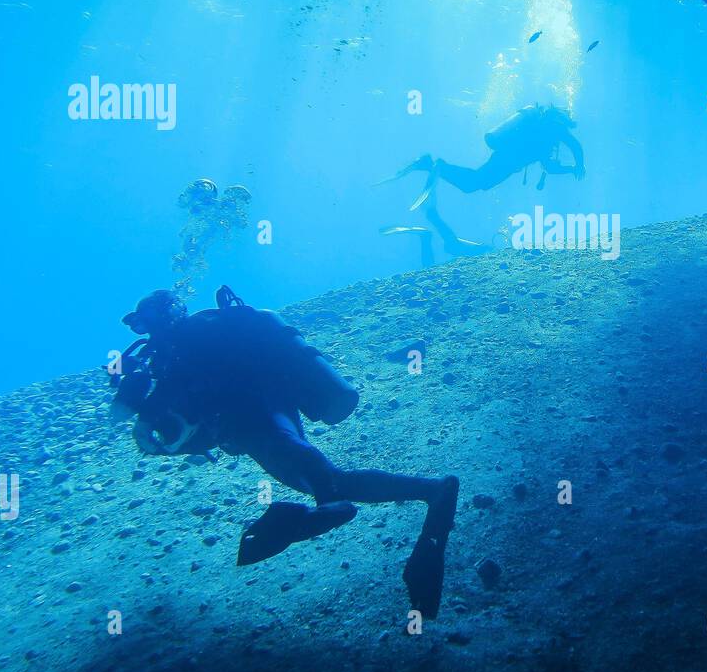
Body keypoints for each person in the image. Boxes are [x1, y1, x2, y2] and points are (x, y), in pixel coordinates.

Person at [111, 286, 459, 617]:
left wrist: (145, 398)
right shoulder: (173, 349)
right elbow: (177, 418)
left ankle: (341, 506)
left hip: (254, 405)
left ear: (166, 315)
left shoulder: (196, 332)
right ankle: (429, 491)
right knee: (322, 478)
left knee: (302, 460)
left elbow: (194, 385)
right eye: (140, 325)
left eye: (147, 321)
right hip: (246, 417)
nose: (146, 330)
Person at [390, 103, 584, 208]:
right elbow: (575, 146)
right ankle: (437, 166)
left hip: (505, 155)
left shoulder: (544, 129)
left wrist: (572, 168)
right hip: (508, 160)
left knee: (476, 182)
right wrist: (579, 166)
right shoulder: (555, 129)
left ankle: (431, 165)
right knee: (474, 183)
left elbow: (549, 167)